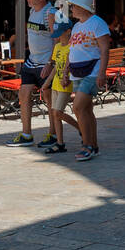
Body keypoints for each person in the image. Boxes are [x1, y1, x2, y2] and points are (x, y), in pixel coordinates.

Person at [8, 0, 56, 147]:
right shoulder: (31, 11)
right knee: (24, 93)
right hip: (32, 61)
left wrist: (51, 63)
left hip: (45, 63)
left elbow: (58, 40)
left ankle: (53, 134)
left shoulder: (50, 12)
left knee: (50, 99)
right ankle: (26, 134)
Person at [67, 0, 110, 162]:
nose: (72, 9)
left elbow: (104, 50)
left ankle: (87, 145)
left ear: (83, 7)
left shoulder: (98, 23)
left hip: (92, 71)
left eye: (74, 6)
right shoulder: (77, 26)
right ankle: (93, 144)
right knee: (86, 109)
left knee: (77, 107)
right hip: (77, 72)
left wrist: (102, 73)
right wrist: (66, 73)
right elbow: (73, 51)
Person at [39, 21, 81, 152]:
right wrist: (46, 83)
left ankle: (80, 127)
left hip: (66, 84)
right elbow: (56, 66)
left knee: (58, 112)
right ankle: (60, 143)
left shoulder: (72, 47)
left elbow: (71, 66)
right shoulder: (57, 47)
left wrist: (65, 76)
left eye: (60, 33)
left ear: (68, 31)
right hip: (56, 84)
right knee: (55, 114)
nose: (58, 37)